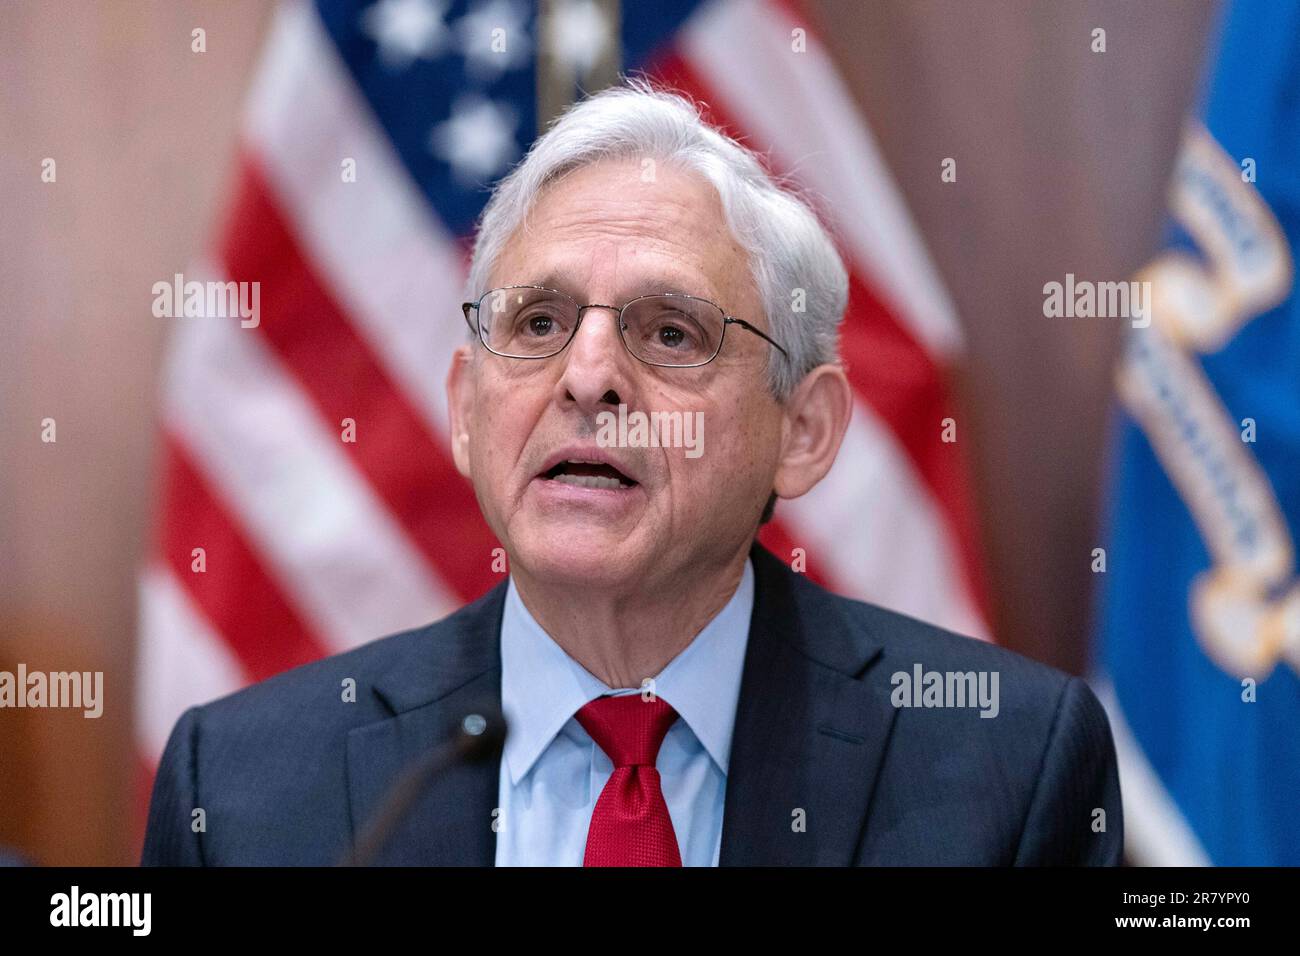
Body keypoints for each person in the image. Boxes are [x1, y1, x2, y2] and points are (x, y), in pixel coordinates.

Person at [142, 80, 1122, 866]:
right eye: (536, 323)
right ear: (465, 412)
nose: (588, 377)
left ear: (805, 429)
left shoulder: (1006, 764)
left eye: (670, 331)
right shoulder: (240, 787)